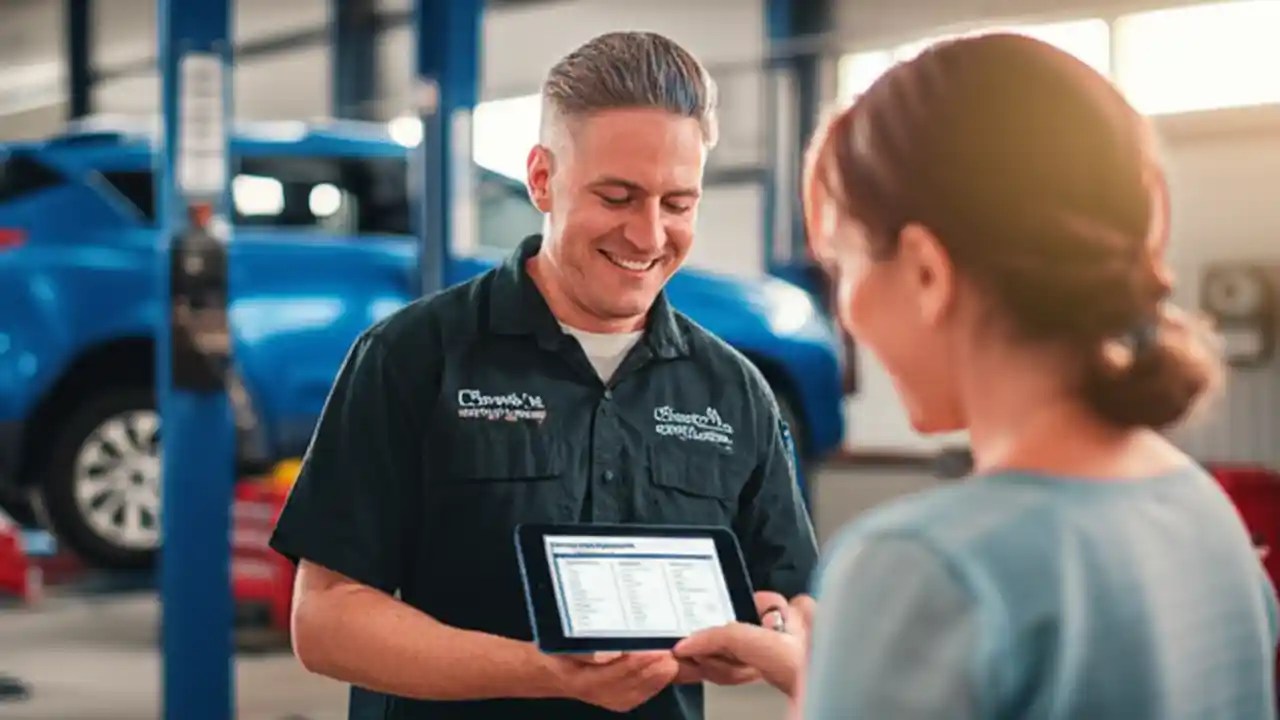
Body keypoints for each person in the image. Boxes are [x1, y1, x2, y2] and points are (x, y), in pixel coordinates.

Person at [673, 32, 1280, 719]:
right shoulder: (1205, 515)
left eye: (843, 266)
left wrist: (845, 666)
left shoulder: (916, 566)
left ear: (926, 273)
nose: (845, 313)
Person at [268, 30, 819, 720]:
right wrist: (541, 672)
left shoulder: (733, 393)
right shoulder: (412, 357)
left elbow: (796, 604)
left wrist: (767, 630)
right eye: (616, 197)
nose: (648, 235)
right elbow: (325, 621)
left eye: (678, 204)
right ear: (541, 179)